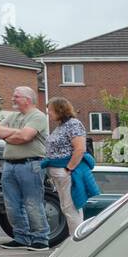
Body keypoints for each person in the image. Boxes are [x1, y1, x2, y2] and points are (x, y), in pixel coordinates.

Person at [0, 86, 50, 251]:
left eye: (16, 96)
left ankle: (41, 239)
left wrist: (9, 135)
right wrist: (16, 134)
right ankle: (21, 237)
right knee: (11, 205)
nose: (12, 99)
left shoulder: (38, 116)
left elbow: (25, 136)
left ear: (27, 99)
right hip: (9, 165)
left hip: (31, 165)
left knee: (33, 203)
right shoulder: (13, 116)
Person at [42, 97, 90, 234]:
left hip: (66, 172)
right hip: (59, 173)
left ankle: (77, 240)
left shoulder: (73, 124)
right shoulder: (61, 126)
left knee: (71, 208)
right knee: (66, 208)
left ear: (60, 110)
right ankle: (75, 238)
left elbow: (80, 149)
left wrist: (68, 169)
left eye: (50, 110)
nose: (48, 113)